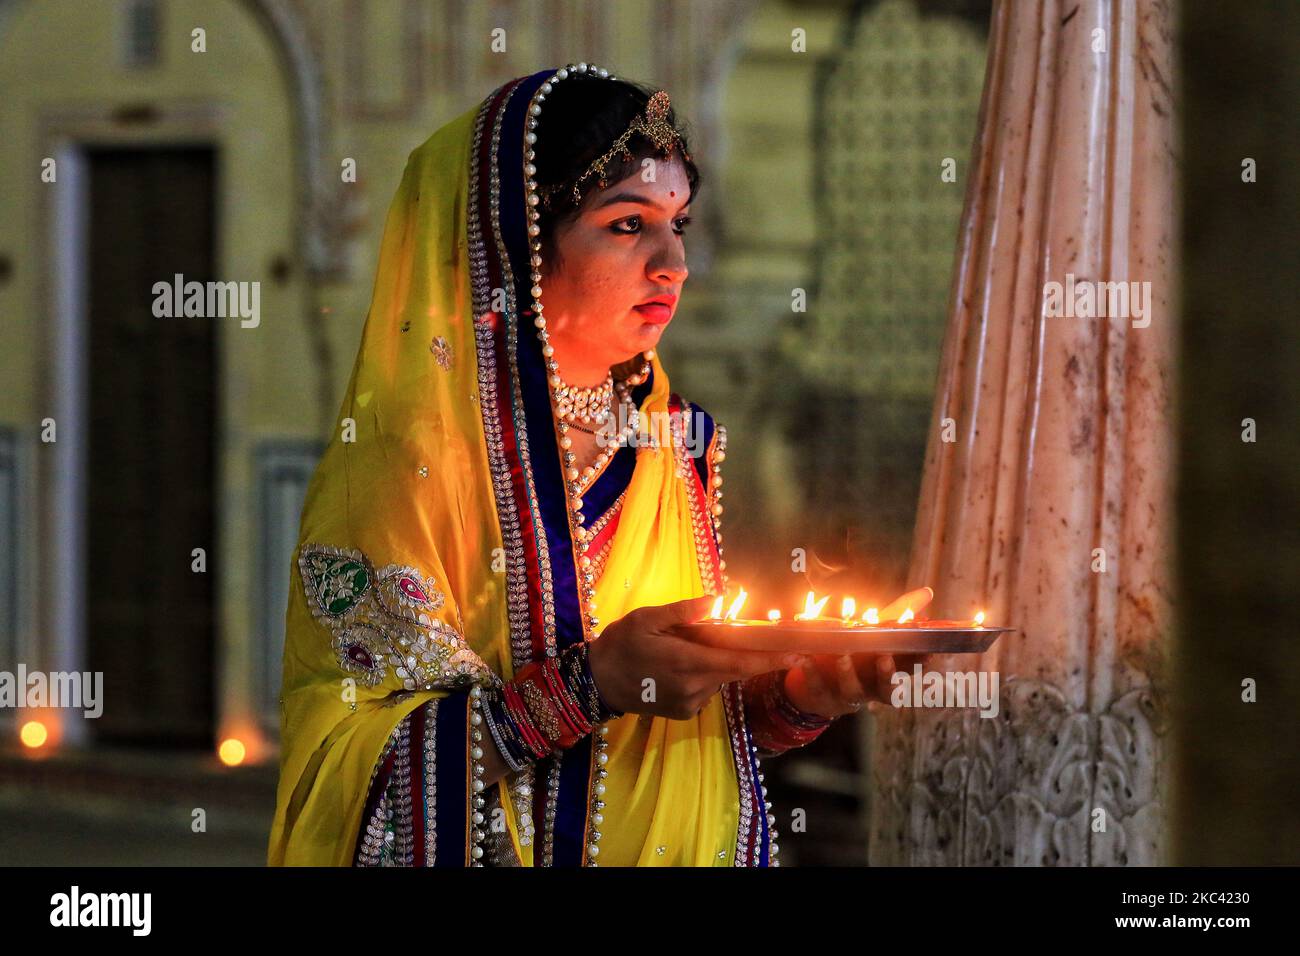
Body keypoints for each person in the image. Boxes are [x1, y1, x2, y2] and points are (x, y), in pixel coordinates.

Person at [268, 63, 905, 868]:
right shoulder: (413, 461)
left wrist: (797, 700)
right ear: (521, 248)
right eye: (628, 224)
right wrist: (588, 686)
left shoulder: (675, 441)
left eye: (681, 223)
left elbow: (674, 746)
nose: (673, 262)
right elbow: (362, 786)